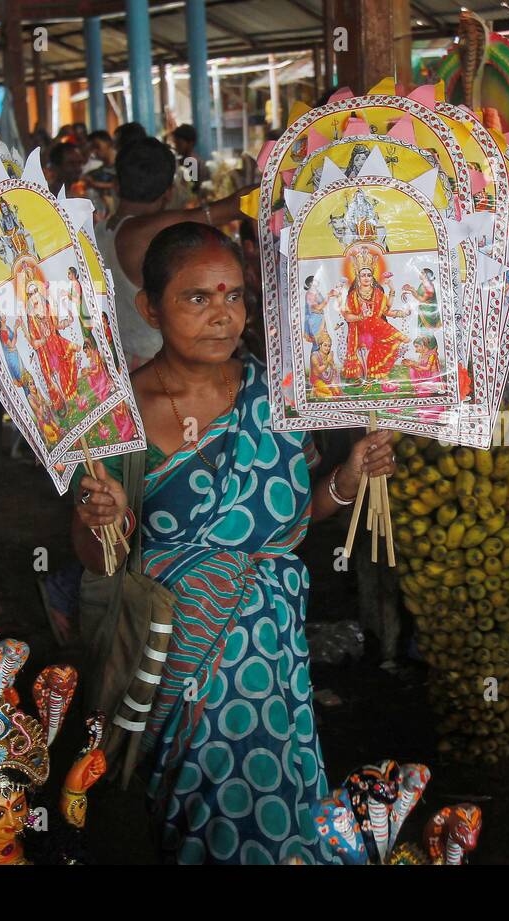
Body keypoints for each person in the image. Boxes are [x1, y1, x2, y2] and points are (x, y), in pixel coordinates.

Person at [72, 222, 395, 864]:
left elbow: (294, 516)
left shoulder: (272, 395)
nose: (222, 317)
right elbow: (96, 560)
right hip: (180, 664)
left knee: (278, 812)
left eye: (234, 296)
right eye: (197, 298)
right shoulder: (119, 413)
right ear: (148, 308)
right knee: (202, 818)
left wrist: (348, 480)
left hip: (273, 659)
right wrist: (96, 517)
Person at [94, 136, 253, 369]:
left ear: (116, 184)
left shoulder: (99, 231)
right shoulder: (143, 231)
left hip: (115, 362)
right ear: (168, 192)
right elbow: (235, 206)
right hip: (152, 364)